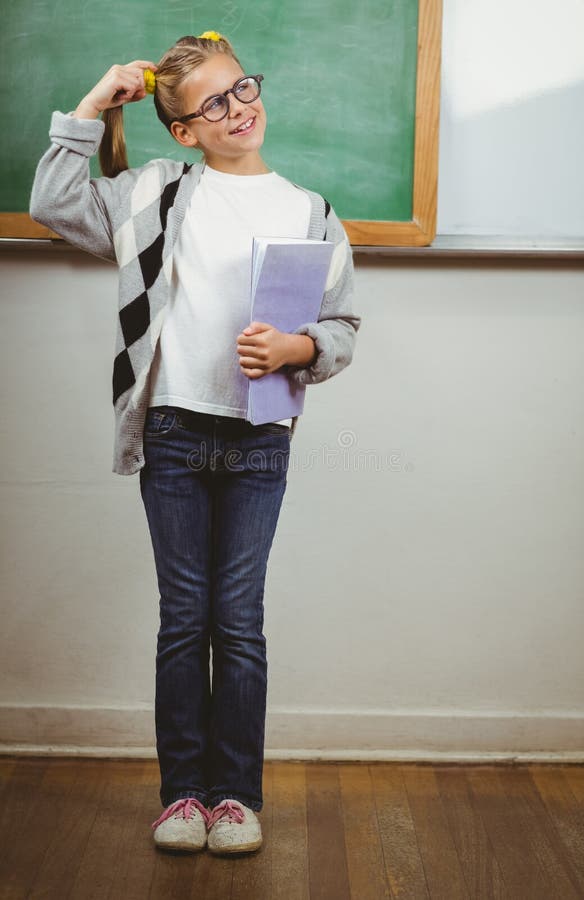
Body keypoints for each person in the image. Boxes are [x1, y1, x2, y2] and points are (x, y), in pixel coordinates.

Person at [29, 31, 360, 855]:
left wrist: (298, 348)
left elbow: (343, 325)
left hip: (259, 436)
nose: (237, 107)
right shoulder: (154, 192)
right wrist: (93, 104)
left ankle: (235, 797)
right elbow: (55, 202)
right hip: (175, 428)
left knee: (238, 620)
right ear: (183, 131)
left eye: (241, 87)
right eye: (212, 104)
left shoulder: (310, 211)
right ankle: (183, 794)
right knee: (184, 619)